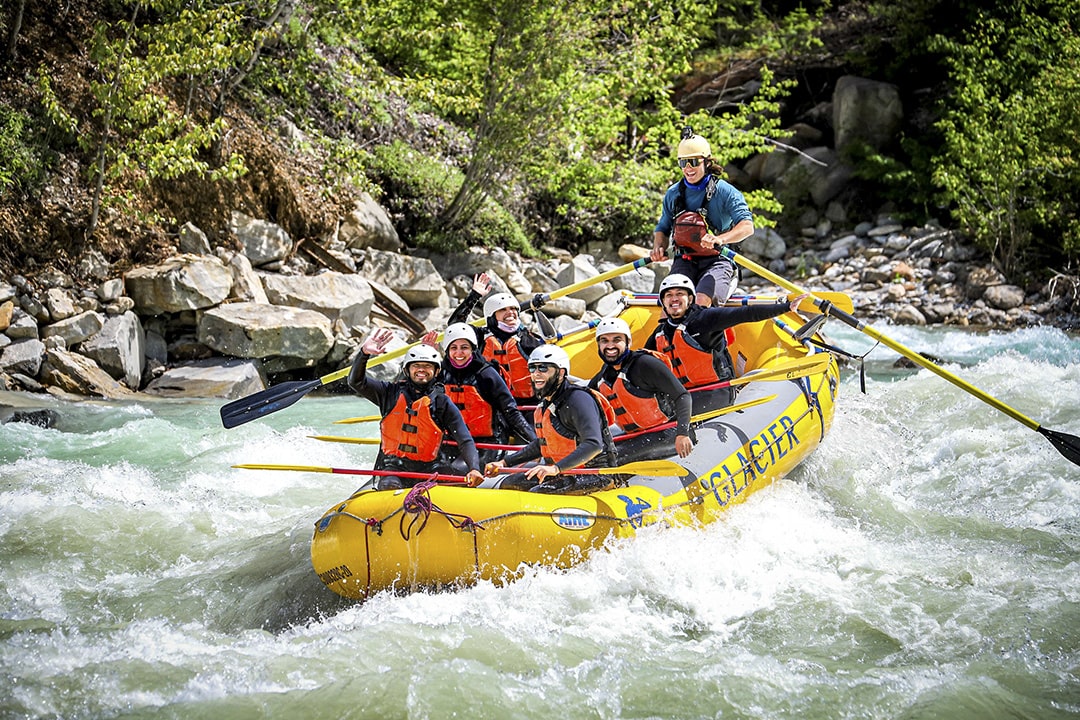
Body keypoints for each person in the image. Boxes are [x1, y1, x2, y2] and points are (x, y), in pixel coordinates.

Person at [645, 273, 807, 410]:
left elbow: (746, 313)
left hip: (716, 392)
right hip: (685, 396)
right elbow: (643, 363)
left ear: (690, 298)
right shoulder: (660, 333)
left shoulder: (704, 319)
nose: (674, 299)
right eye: (669, 295)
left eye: (680, 294)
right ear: (664, 302)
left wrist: (785, 307)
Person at [347, 328, 484, 489]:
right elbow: (355, 382)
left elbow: (465, 439)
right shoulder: (389, 393)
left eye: (427, 366)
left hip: (431, 468)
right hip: (393, 468)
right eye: (416, 365)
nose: (421, 370)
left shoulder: (442, 402)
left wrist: (474, 469)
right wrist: (364, 353)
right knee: (390, 485)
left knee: (463, 483)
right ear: (407, 369)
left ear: (436, 371)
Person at [484, 344, 617, 493]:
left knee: (538, 493)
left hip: (595, 475)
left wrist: (555, 468)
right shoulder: (545, 405)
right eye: (532, 368)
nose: (536, 374)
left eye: (543, 368)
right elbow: (542, 445)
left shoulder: (578, 400)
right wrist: (504, 462)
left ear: (560, 373)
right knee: (510, 483)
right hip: (563, 472)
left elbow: (594, 444)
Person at [649, 127, 754, 307]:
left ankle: (703, 327)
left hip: (719, 261)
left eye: (693, 162)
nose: (688, 168)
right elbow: (663, 228)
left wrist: (720, 239)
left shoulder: (726, 192)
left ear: (706, 162)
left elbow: (747, 226)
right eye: (683, 163)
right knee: (672, 302)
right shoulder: (673, 193)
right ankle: (667, 334)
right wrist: (659, 247)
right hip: (685, 259)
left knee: (701, 300)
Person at [420, 322, 537, 464]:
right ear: (447, 350)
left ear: (473, 349)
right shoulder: (440, 373)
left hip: (488, 443)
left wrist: (536, 444)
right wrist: (425, 356)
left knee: (459, 469)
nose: (459, 353)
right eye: (453, 348)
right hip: (452, 440)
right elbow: (411, 390)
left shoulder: (486, 374)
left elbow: (511, 412)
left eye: (464, 348)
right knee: (434, 465)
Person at [587, 317, 695, 460]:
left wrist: (683, 433)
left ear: (628, 342)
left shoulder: (645, 364)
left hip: (669, 431)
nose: (610, 346)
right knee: (591, 456)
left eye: (616, 340)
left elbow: (682, 396)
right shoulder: (604, 376)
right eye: (604, 341)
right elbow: (583, 403)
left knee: (609, 458)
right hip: (637, 435)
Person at [447, 272, 545, 404]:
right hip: (490, 405)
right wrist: (474, 296)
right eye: (503, 309)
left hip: (527, 405)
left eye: (513, 309)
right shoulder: (480, 337)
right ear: (491, 315)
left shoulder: (528, 339)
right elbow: (455, 326)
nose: (510, 312)